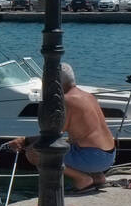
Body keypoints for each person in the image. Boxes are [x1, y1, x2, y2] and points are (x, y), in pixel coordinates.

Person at [7, 62, 115, 194]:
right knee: (69, 144)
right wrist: (26, 140)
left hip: (93, 158)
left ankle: (82, 179)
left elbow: (52, 135)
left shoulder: (66, 101)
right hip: (108, 155)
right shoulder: (88, 96)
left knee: (34, 153)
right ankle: (97, 177)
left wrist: (25, 141)